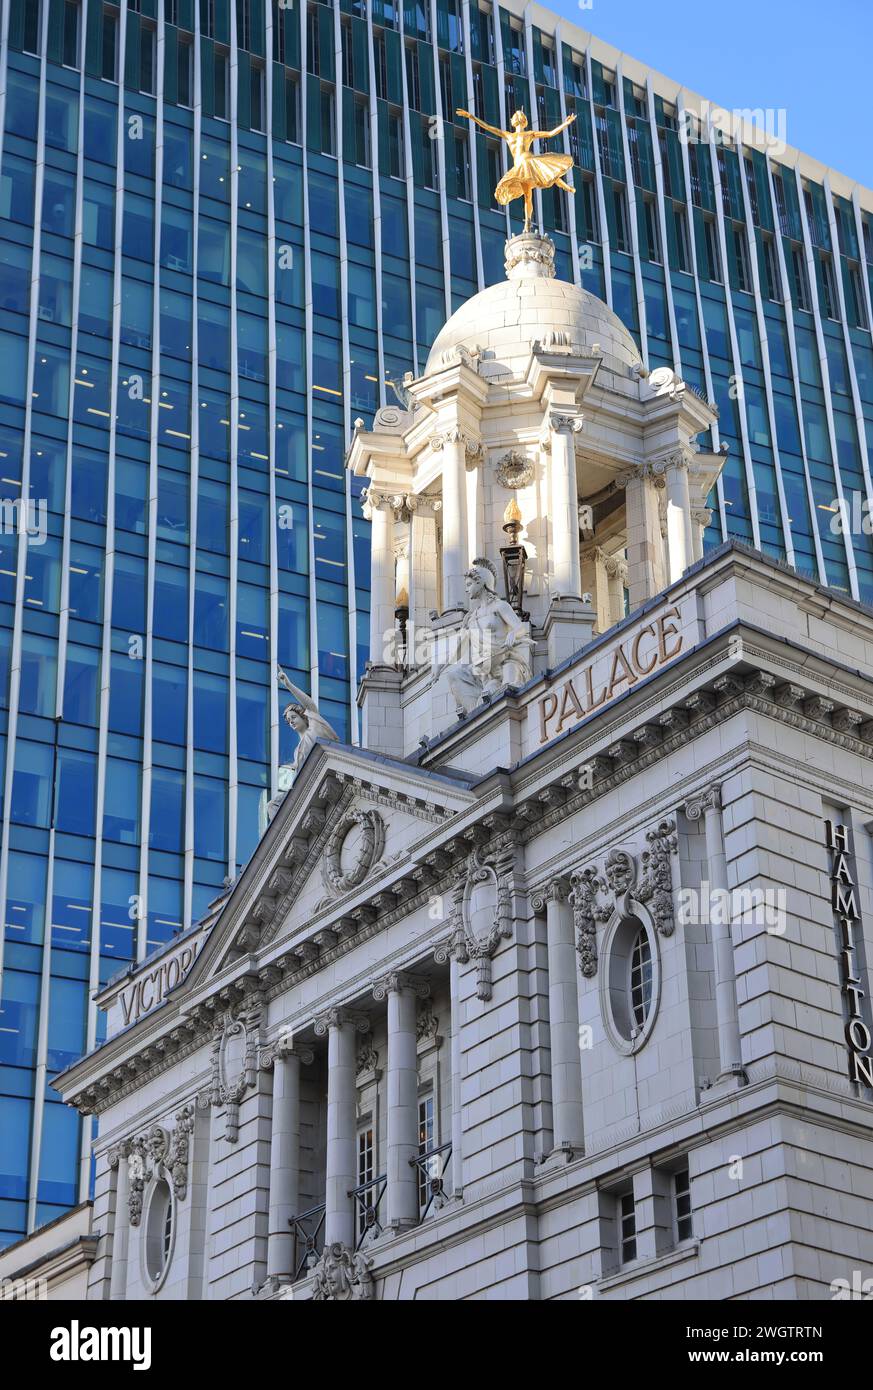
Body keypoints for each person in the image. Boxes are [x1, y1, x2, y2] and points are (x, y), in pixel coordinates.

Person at [456, 107, 576, 230]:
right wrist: (471, 117)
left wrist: (566, 123)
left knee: (546, 174)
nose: (517, 117)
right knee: (530, 193)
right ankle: (528, 221)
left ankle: (563, 188)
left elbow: (550, 134)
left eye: (519, 116)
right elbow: (488, 127)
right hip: (520, 167)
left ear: (522, 120)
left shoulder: (528, 134)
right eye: (516, 116)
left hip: (528, 161)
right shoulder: (508, 135)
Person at [443, 561, 534, 715]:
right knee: (455, 676)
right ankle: (474, 721)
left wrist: (513, 633)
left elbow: (521, 628)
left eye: (469, 584)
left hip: (503, 664)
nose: (466, 589)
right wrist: (440, 668)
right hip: (484, 673)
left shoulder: (500, 606)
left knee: (500, 694)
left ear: (481, 583)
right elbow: (460, 648)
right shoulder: (471, 618)